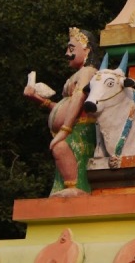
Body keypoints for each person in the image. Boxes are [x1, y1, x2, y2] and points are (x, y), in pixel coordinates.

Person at [23, 27, 101, 197]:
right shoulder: (78, 74)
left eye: (71, 49)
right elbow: (64, 106)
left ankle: (76, 188)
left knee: (61, 148)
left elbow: (79, 98)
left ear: (86, 50)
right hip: (72, 129)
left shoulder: (88, 72)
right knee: (61, 153)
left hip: (80, 130)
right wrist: (38, 99)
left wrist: (64, 131)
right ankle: (69, 188)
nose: (67, 53)